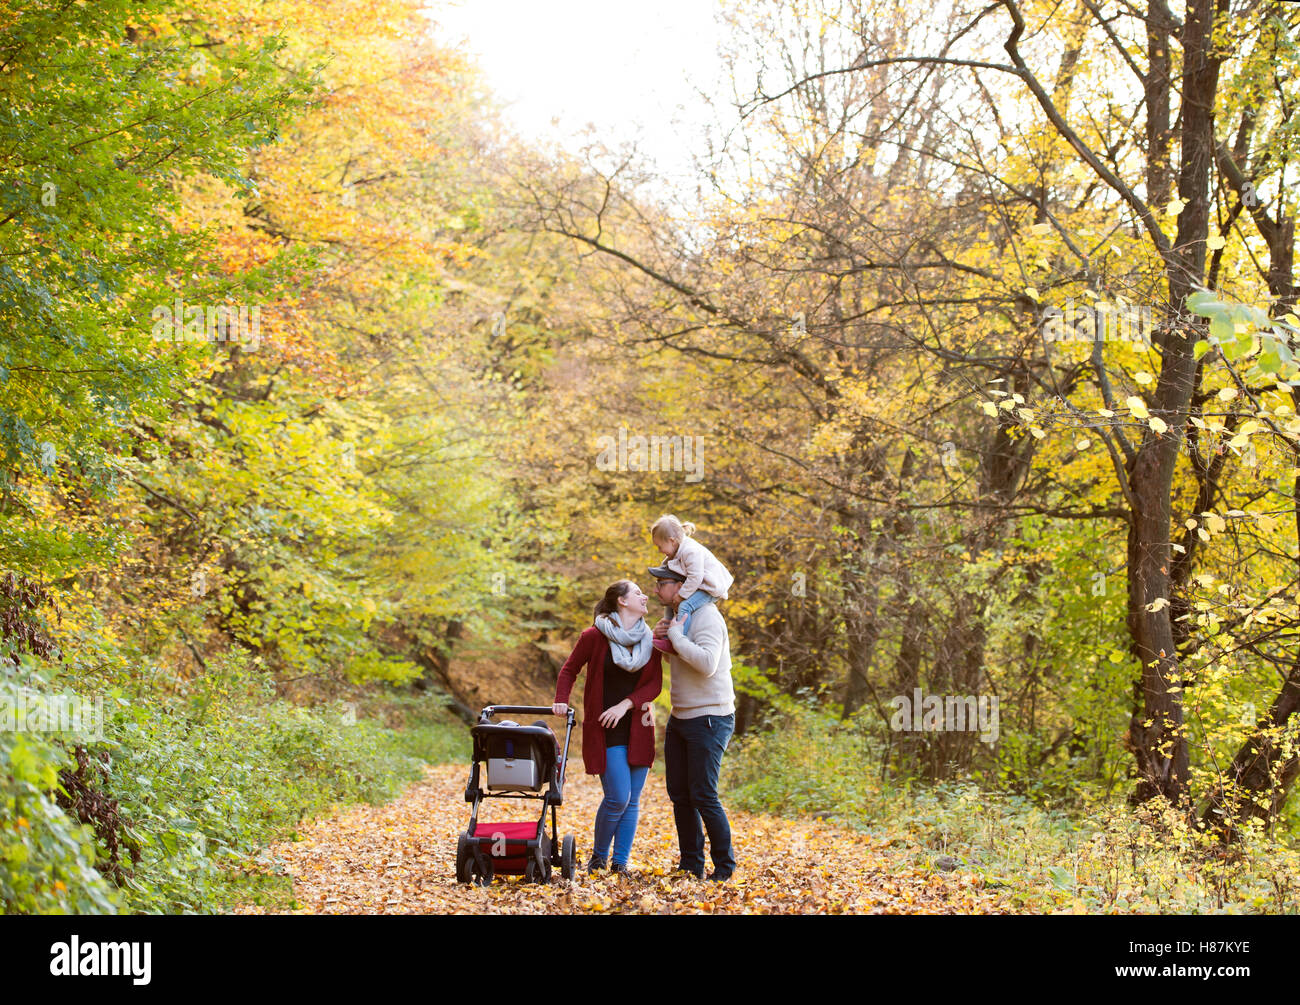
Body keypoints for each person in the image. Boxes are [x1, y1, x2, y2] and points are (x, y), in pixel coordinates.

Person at [552, 580, 663, 874]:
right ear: (622, 601)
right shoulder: (594, 636)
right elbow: (569, 669)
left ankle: (620, 863)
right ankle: (598, 858)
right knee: (618, 797)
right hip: (605, 728)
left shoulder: (650, 640)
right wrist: (561, 700)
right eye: (638, 593)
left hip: (639, 726)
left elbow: (654, 684)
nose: (645, 597)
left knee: (632, 801)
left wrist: (626, 704)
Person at [649, 562, 737, 882]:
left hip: (711, 717)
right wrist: (662, 638)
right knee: (680, 794)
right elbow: (681, 655)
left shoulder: (708, 616)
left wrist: (674, 635)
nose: (656, 590)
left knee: (703, 794)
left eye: (662, 584)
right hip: (681, 717)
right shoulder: (677, 616)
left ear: (682, 586)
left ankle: (724, 868)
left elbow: (707, 664)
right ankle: (690, 865)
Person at [649, 514, 735, 653]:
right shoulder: (677, 549)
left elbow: (696, 577)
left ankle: (678, 640)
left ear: (671, 540)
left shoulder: (690, 550)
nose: (659, 551)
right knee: (670, 606)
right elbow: (667, 564)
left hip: (711, 588)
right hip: (700, 585)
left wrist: (681, 595)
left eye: (660, 546)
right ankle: (666, 636)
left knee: (685, 605)